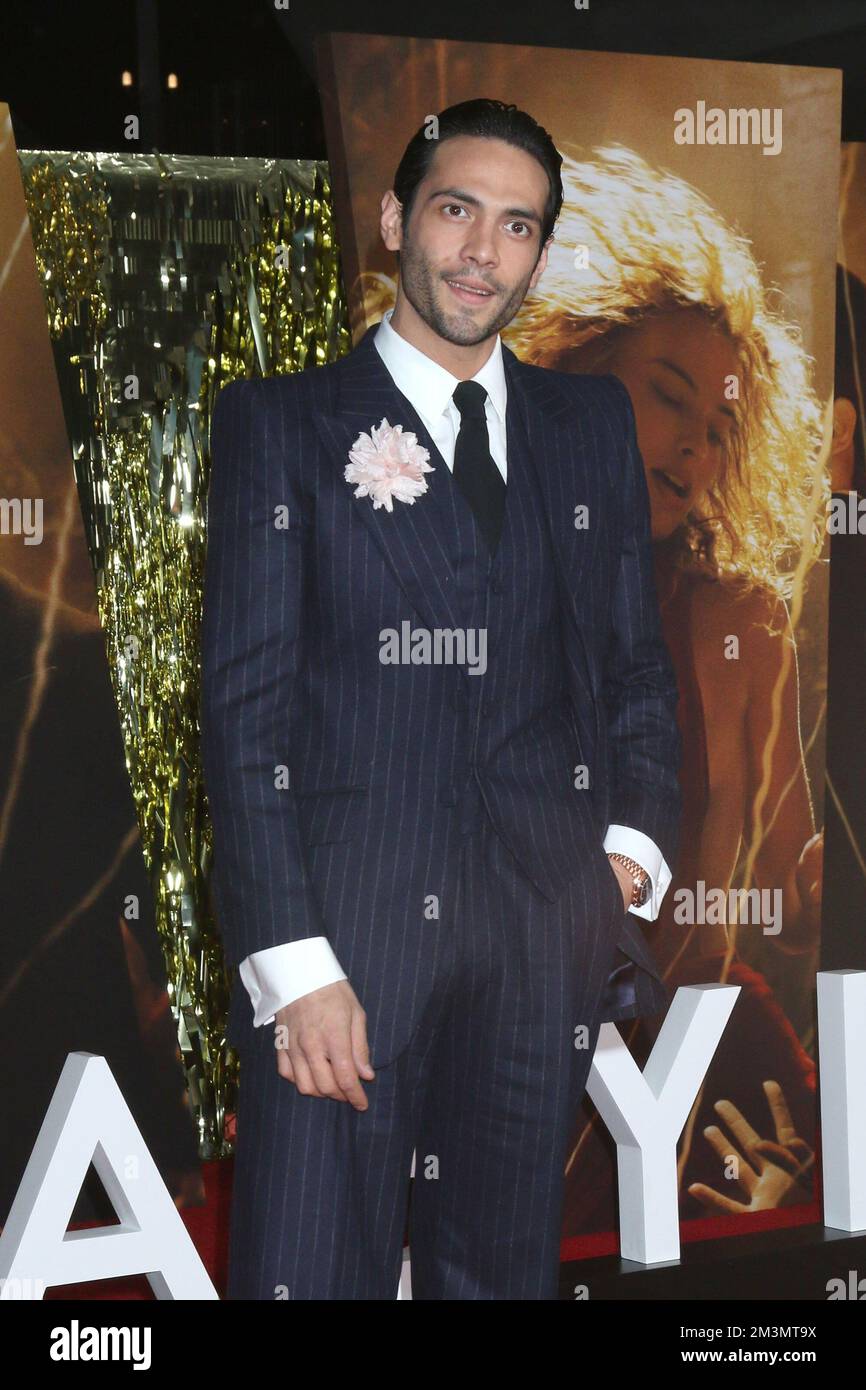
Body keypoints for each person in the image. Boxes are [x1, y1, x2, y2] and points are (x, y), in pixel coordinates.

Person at [200, 100, 682, 1301]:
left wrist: (622, 859)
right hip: (346, 945)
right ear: (392, 220)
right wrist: (291, 963)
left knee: (500, 1278)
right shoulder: (284, 425)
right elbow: (242, 715)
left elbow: (632, 663)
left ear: (537, 251)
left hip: (535, 949)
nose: (481, 252)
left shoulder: (587, 426)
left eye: (516, 227)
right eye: (455, 210)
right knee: (312, 1271)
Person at [502, 146, 826, 1237]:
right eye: (667, 398)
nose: (693, 443)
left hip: (697, 1065)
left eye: (722, 425)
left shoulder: (735, 620)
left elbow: (784, 883)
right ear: (567, 366)